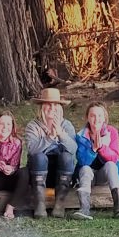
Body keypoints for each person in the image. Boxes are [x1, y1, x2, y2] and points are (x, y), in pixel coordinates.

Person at [23, 88, 78, 219]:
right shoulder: (33, 126)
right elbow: (32, 149)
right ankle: (39, 205)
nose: (51, 108)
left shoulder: (66, 125)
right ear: (41, 107)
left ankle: (59, 204)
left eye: (55, 104)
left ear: (60, 107)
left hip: (61, 175)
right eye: (48, 104)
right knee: (39, 156)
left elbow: (74, 149)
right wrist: (50, 137)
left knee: (66, 156)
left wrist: (60, 134)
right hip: (39, 175)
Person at [74, 103, 119, 220]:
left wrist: (102, 148)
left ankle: (118, 207)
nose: (96, 119)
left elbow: (115, 157)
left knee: (111, 165)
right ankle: (84, 208)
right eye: (92, 115)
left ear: (104, 118)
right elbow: (82, 161)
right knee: (85, 169)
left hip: (105, 175)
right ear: (87, 117)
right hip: (89, 177)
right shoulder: (81, 136)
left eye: (99, 115)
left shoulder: (111, 132)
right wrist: (93, 149)